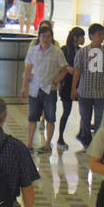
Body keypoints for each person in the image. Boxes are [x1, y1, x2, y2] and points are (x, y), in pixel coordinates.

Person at [22, 24, 69, 153]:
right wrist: (23, 86)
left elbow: (64, 69)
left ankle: (47, 144)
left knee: (50, 118)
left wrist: (55, 82)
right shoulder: (33, 50)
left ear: (52, 38)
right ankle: (29, 144)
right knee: (32, 118)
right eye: (43, 36)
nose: (46, 39)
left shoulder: (57, 52)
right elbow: (27, 69)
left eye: (48, 37)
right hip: (35, 89)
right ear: (39, 37)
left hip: (49, 90)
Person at [72, 23, 104, 146]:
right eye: (99, 34)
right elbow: (77, 71)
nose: (102, 37)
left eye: (103, 34)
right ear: (91, 36)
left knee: (100, 120)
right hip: (85, 91)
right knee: (85, 119)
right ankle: (86, 139)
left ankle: (97, 143)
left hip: (101, 92)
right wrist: (74, 88)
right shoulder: (82, 52)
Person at [57, 26, 86, 148]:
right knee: (66, 111)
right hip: (67, 85)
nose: (83, 39)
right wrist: (69, 69)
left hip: (80, 84)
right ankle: (60, 137)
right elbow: (59, 65)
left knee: (84, 111)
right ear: (75, 37)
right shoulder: (64, 50)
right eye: (81, 37)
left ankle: (82, 133)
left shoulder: (81, 51)